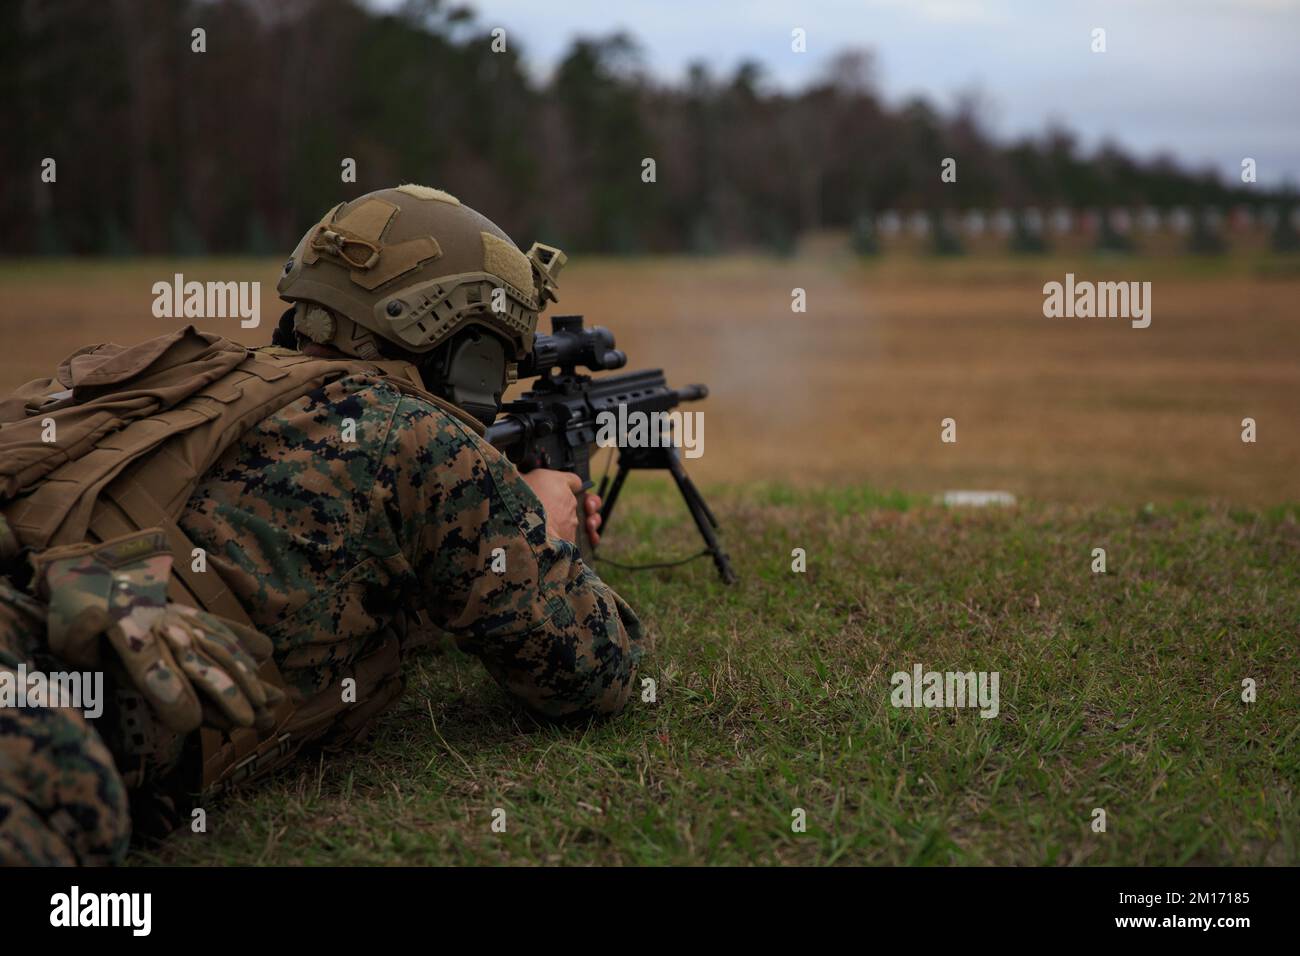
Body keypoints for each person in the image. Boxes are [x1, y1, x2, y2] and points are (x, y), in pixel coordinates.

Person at [0, 185, 644, 865]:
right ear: (466, 348)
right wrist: (539, 525)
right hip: (35, 664)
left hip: (44, 606)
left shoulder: (211, 375)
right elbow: (589, 673)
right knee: (63, 800)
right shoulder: (411, 433)